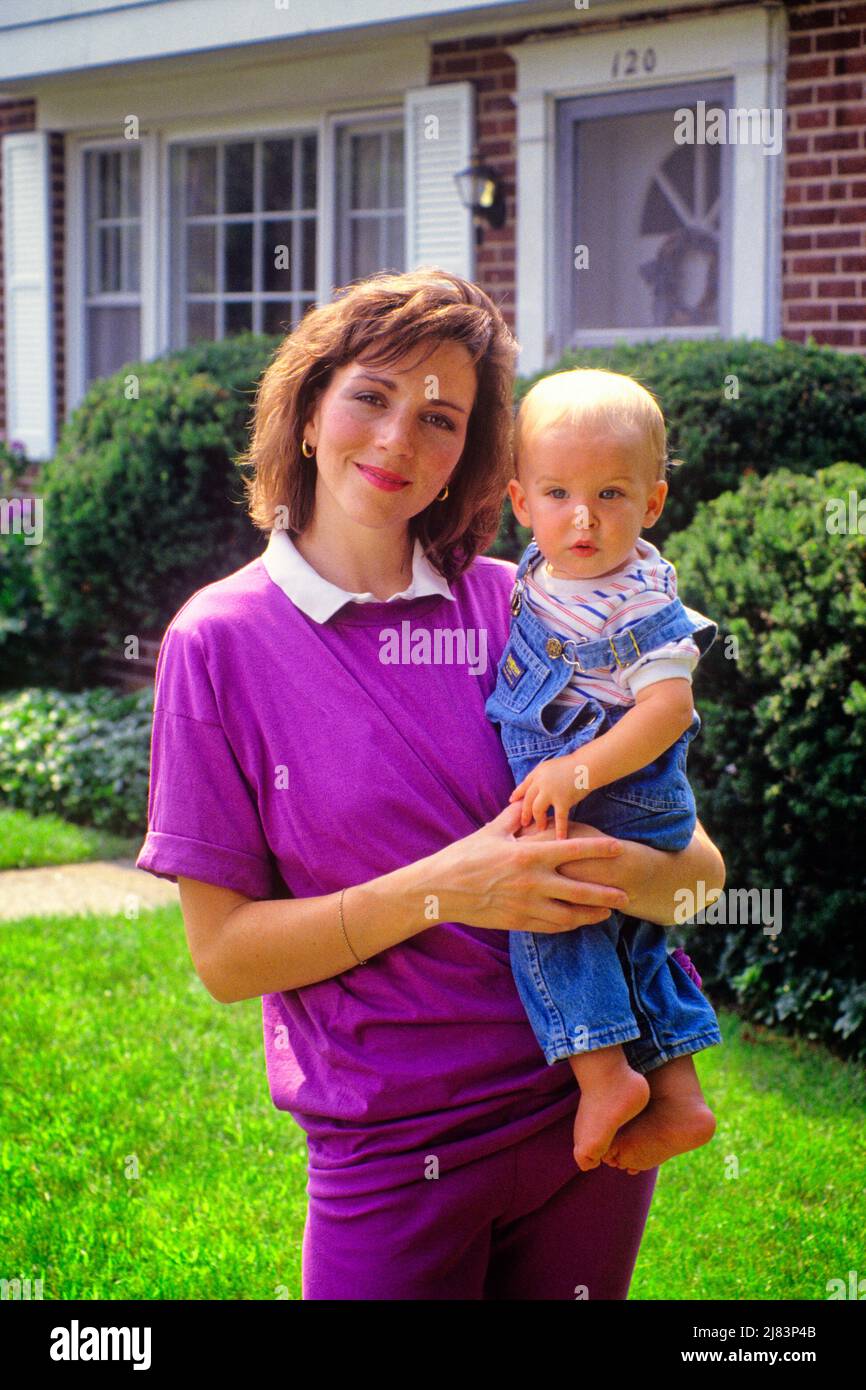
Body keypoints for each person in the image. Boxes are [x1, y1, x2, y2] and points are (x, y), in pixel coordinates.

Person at [135, 267, 726, 1301]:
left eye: (440, 417)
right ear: (310, 412)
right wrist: (448, 887)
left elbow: (698, 879)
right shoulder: (217, 644)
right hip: (387, 1153)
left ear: (470, 457)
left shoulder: (533, 606)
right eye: (371, 395)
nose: (398, 441)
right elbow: (226, 958)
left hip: (584, 1119)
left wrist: (587, 871)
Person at [485, 368, 722, 1179]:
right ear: (521, 502)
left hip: (620, 787)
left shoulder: (639, 599)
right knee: (632, 942)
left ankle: (604, 1076)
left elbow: (665, 711)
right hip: (595, 786)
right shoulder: (537, 577)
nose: (582, 518)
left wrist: (575, 774)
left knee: (548, 914)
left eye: (612, 496)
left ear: (653, 505)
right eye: (557, 493)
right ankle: (681, 1099)